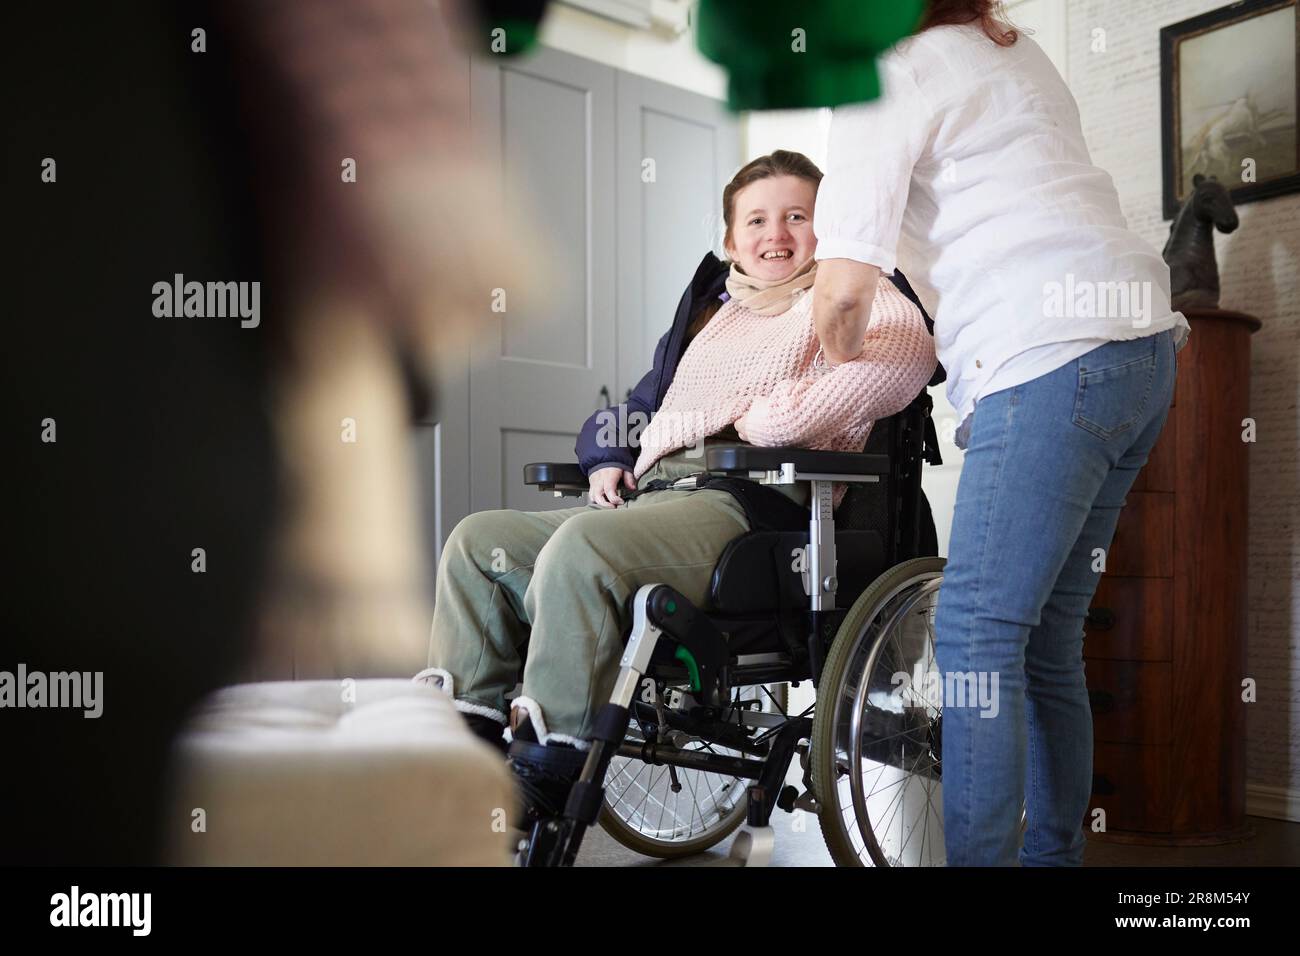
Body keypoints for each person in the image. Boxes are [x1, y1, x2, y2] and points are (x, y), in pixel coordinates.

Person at [424, 149, 937, 823]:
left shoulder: (857, 296)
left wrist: (770, 420)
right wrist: (608, 451)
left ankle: (552, 760)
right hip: (661, 499)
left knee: (584, 549)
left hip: (753, 506)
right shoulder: (710, 319)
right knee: (475, 543)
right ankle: (468, 748)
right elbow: (636, 408)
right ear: (731, 240)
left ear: (830, 227)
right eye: (756, 220)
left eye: (796, 216)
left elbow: (906, 361)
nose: (774, 234)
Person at [808, 0, 1188, 865]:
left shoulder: (886, 74)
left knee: (978, 632)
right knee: (1048, 639)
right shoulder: (1008, 50)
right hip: (1140, 354)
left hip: (1048, 357)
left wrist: (832, 364)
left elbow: (840, 292)